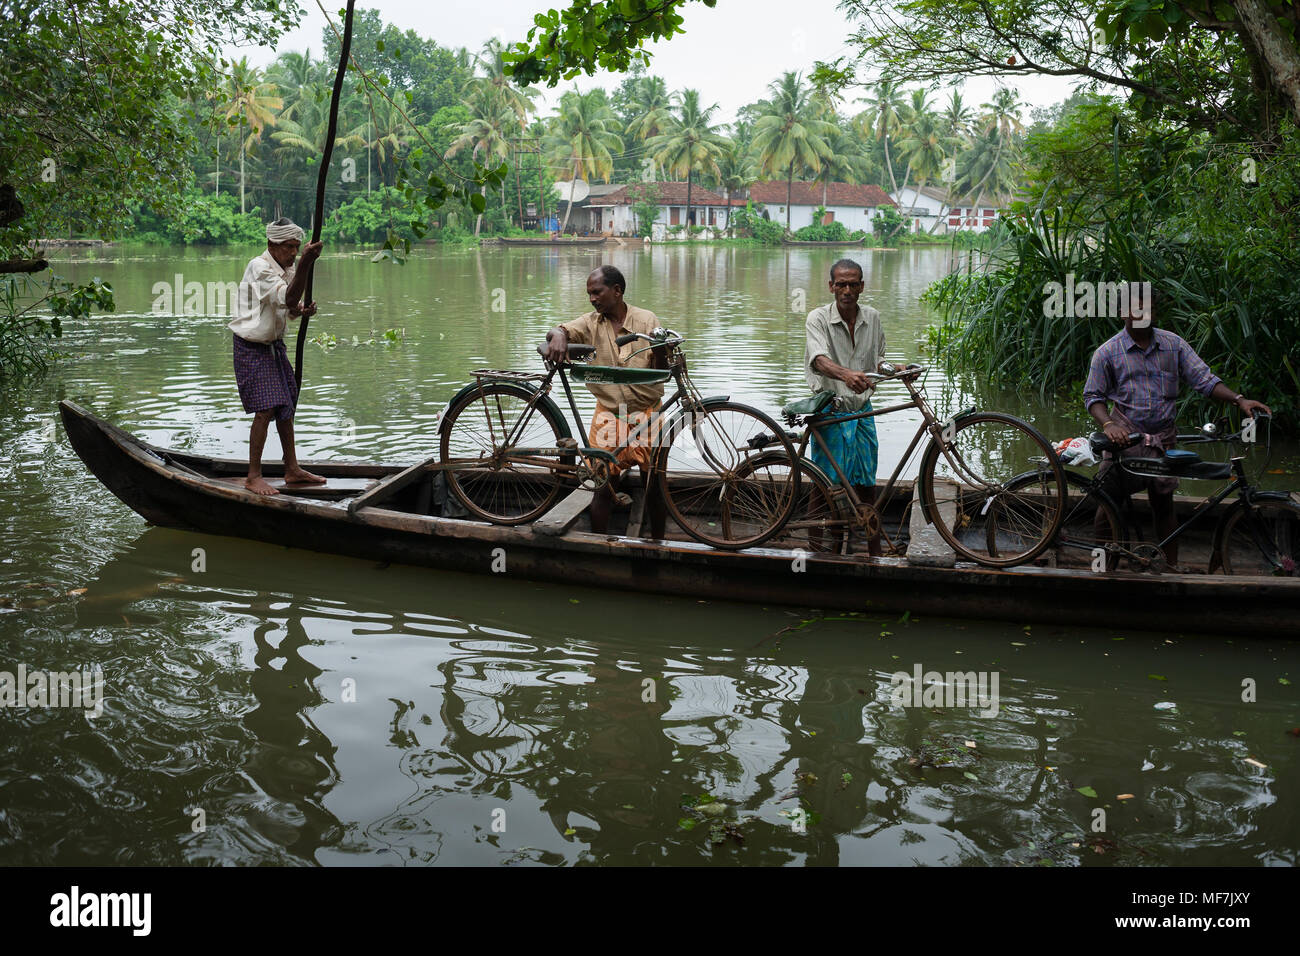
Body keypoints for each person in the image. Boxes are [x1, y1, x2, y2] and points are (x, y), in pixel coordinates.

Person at [1083, 286, 1271, 567]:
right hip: (1125, 440)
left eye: (1150, 308)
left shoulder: (1173, 345)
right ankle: (1102, 571)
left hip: (1162, 439)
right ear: (1123, 313)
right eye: (1137, 308)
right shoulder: (1108, 352)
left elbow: (1205, 380)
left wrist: (1239, 400)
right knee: (1108, 507)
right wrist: (1109, 425)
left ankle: (1170, 570)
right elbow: (1093, 397)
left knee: (1164, 506)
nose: (1144, 313)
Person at [544, 265, 668, 537]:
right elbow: (558, 329)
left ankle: (659, 544)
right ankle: (599, 545)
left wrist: (662, 351)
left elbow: (661, 370)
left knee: (655, 488)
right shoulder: (590, 323)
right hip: (608, 415)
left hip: (647, 415)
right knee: (601, 487)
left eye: (597, 292)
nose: (592, 299)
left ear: (617, 291)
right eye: (589, 294)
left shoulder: (647, 321)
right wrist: (559, 336)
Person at [228, 218, 326, 496]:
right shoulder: (259, 268)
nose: (293, 253)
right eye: (289, 247)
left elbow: (290, 306)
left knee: (286, 405)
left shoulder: (287, 267)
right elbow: (287, 297)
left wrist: (302, 310)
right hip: (251, 347)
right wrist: (306, 262)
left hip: (273, 346)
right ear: (272, 245)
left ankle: (292, 469)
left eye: (297, 248)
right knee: (266, 408)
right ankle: (253, 476)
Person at [805, 259, 887, 556]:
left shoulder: (873, 317)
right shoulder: (817, 318)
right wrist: (845, 374)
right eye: (841, 284)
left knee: (866, 484)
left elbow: (878, 361)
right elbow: (819, 360)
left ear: (862, 286)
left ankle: (875, 552)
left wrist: (897, 369)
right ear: (832, 287)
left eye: (853, 284)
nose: (847, 290)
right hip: (830, 411)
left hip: (863, 411)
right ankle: (815, 552)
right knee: (824, 488)